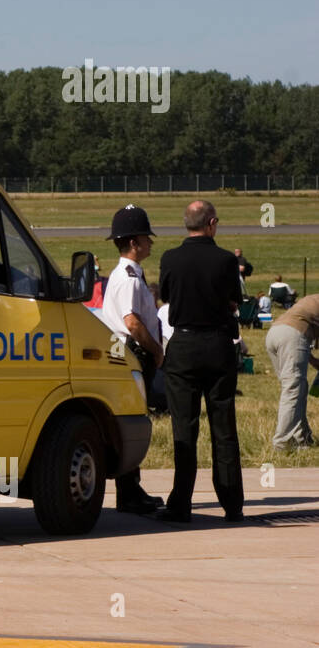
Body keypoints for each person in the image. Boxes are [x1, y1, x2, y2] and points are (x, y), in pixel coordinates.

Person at [157, 200, 245, 523]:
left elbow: (166, 297)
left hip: (183, 344)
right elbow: (234, 300)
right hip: (218, 343)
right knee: (223, 427)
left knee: (184, 427)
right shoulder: (224, 260)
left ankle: (181, 503)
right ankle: (232, 502)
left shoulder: (170, 258)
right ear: (211, 223)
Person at [97, 205, 166, 513]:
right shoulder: (129, 279)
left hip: (125, 351)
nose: (151, 243)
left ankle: (131, 490)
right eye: (146, 238)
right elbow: (132, 322)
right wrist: (155, 350)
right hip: (134, 352)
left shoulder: (126, 275)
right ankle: (129, 493)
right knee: (132, 419)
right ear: (134, 243)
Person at [263, 293, 319, 450]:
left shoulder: (312, 299)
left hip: (275, 333)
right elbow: (297, 334)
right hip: (293, 335)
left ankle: (302, 437)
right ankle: (282, 442)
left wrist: (313, 360)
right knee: (294, 389)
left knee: (296, 389)